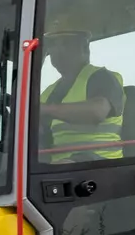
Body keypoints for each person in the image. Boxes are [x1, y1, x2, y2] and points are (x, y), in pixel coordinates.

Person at [39, 21, 126, 163]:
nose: (58, 50)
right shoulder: (49, 92)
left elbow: (97, 111)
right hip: (60, 163)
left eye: (66, 43)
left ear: (85, 48)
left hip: (101, 162)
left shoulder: (102, 77)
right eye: (54, 44)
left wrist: (46, 109)